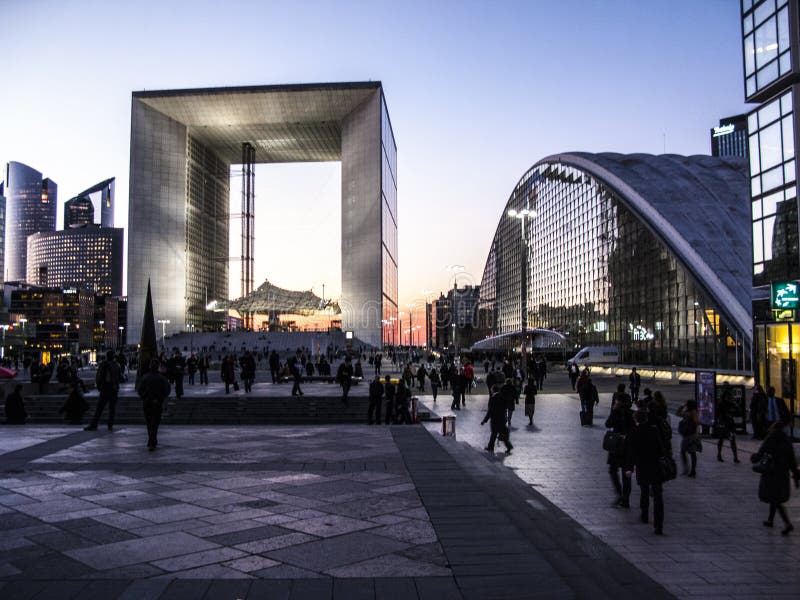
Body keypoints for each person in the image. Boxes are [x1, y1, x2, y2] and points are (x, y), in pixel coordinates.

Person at [626, 401, 672, 535]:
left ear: (636, 419)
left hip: (642, 465)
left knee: (644, 491)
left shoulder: (635, 432)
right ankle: (659, 524)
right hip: (656, 465)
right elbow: (661, 447)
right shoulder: (654, 430)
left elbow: (632, 452)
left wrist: (629, 468)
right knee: (658, 496)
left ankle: (645, 514)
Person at [752, 419, 800, 535]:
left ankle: (787, 523)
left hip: (772, 472)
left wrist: (754, 458)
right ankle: (770, 520)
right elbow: (792, 461)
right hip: (783, 473)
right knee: (775, 496)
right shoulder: (786, 440)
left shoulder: (771, 438)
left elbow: (761, 453)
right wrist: (795, 477)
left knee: (775, 498)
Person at [605, 393, 635, 507]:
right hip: (627, 447)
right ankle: (625, 499)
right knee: (625, 473)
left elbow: (608, 424)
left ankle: (620, 494)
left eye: (617, 401)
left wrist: (613, 411)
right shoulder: (631, 414)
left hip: (617, 446)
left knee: (613, 470)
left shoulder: (616, 413)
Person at [136, 358, 171, 451]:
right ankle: (152, 440)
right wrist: (160, 397)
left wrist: (144, 397)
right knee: (155, 423)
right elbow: (167, 390)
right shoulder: (162, 378)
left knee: (149, 422)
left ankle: (151, 440)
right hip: (157, 402)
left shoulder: (145, 377)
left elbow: (139, 390)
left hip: (147, 402)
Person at [85, 350, 121, 431]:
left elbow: (99, 375)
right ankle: (110, 425)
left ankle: (94, 424)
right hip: (114, 388)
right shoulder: (116, 365)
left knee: (100, 407)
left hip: (106, 388)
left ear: (107, 356)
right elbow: (120, 377)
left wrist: (99, 386)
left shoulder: (104, 364)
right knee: (112, 409)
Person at [481, 385, 513, 454]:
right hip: (502, 419)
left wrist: (484, 420)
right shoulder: (503, 397)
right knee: (502, 433)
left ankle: (490, 447)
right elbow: (505, 407)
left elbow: (490, 411)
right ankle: (508, 446)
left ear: (493, 390)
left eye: (491, 390)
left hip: (495, 419)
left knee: (494, 433)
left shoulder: (492, 398)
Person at [676, 399, 701, 478]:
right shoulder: (689, 412)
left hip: (691, 435)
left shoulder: (692, 412)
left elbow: (696, 422)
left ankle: (691, 470)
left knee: (690, 453)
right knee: (687, 452)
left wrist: (689, 420)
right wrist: (682, 407)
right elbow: (678, 413)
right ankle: (689, 469)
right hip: (689, 435)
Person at [715, 383, 740, 463]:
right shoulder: (723, 404)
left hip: (728, 423)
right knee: (723, 439)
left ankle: (734, 457)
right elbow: (719, 413)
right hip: (724, 423)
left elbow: (736, 411)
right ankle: (720, 455)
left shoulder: (728, 403)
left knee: (729, 439)